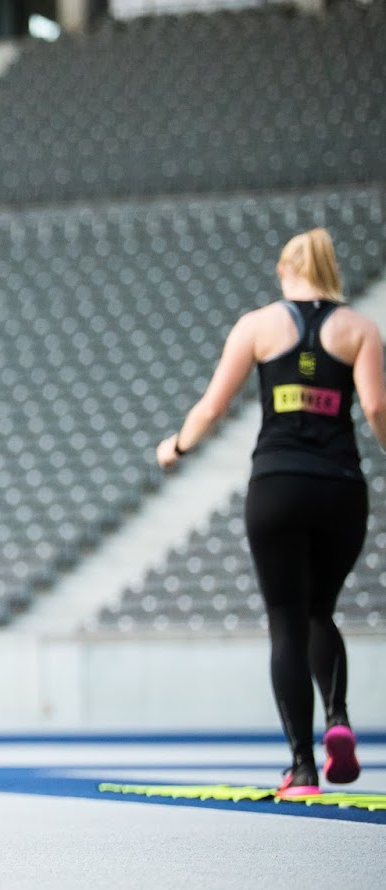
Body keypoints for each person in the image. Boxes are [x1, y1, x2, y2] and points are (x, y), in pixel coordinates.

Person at [157, 227, 386, 798]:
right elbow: (378, 405)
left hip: (278, 486)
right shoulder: (360, 329)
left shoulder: (257, 325)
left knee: (285, 620)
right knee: (320, 612)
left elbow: (214, 404)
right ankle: (337, 718)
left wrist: (177, 447)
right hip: (340, 487)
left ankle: (303, 770)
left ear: (286, 270)